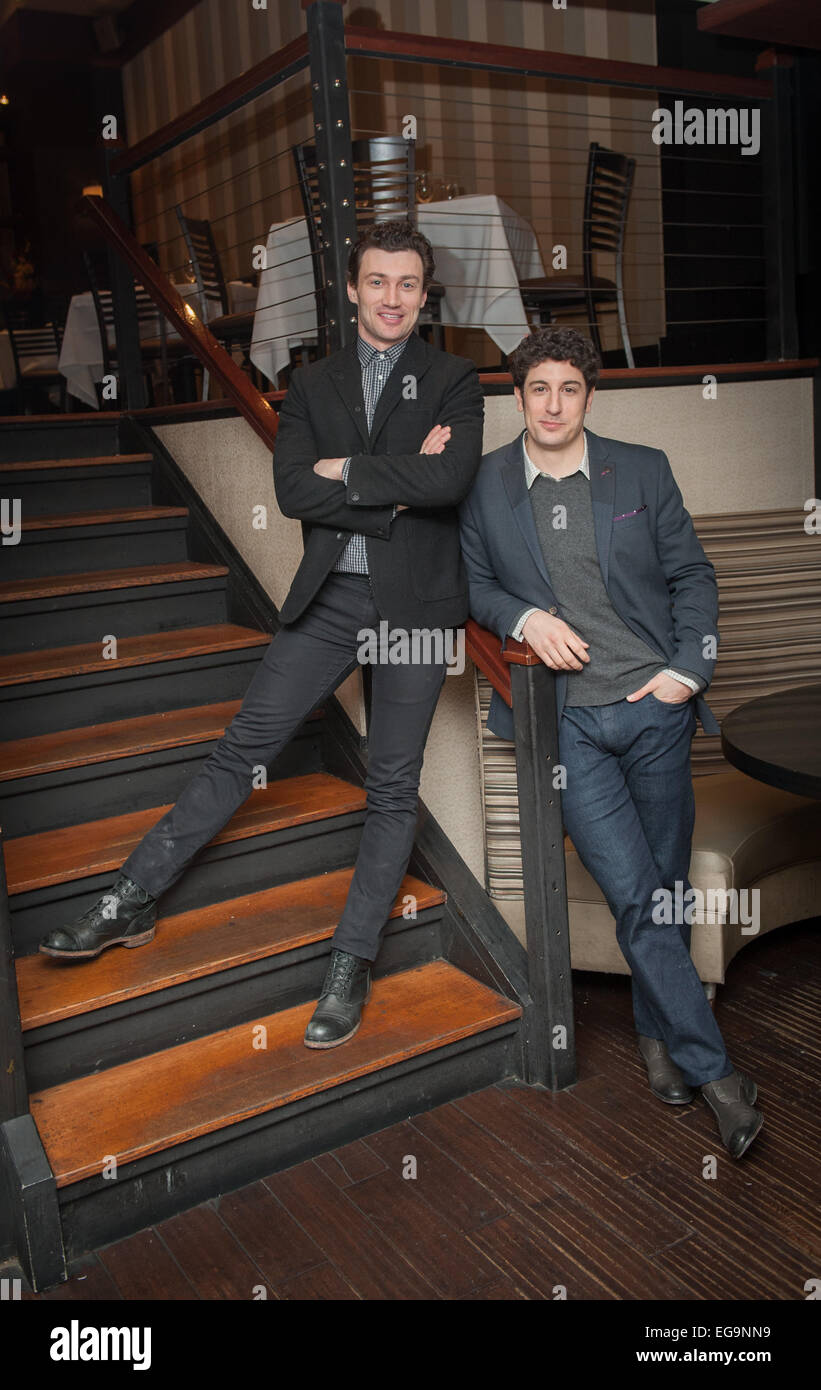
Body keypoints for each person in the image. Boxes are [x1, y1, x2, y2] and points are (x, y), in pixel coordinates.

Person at [40, 218, 484, 1050]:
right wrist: (396, 484)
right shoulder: (311, 385)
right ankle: (130, 897)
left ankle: (351, 963)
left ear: (425, 297)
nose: (393, 298)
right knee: (241, 747)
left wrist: (347, 472)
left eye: (409, 285)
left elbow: (449, 479)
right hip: (329, 603)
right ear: (351, 289)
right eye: (378, 282)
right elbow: (292, 493)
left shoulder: (454, 378)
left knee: (391, 786)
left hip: (416, 611)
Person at [458, 326, 762, 1158]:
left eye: (569, 388)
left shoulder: (643, 468)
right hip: (569, 726)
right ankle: (717, 1075)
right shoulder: (484, 486)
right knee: (635, 894)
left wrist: (685, 675)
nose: (553, 404)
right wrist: (523, 618)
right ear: (515, 399)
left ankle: (656, 1037)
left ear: (589, 396)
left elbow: (693, 576)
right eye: (537, 390)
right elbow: (475, 583)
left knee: (659, 890)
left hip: (654, 708)